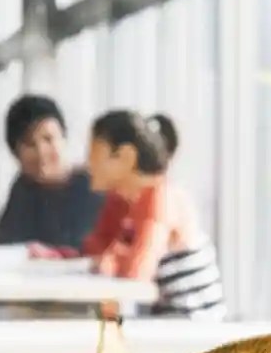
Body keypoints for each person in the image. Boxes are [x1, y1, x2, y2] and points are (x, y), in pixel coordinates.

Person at [82, 110, 225, 321]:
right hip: (168, 323)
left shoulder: (160, 197)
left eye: (94, 154)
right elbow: (97, 250)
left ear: (126, 157)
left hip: (192, 332)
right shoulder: (131, 199)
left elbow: (136, 273)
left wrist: (116, 258)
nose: (88, 164)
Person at [0, 95, 106, 255]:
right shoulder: (23, 189)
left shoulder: (97, 185)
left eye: (48, 139)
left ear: (64, 138)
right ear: (15, 153)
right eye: (30, 144)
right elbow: (0, 250)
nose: (41, 152)